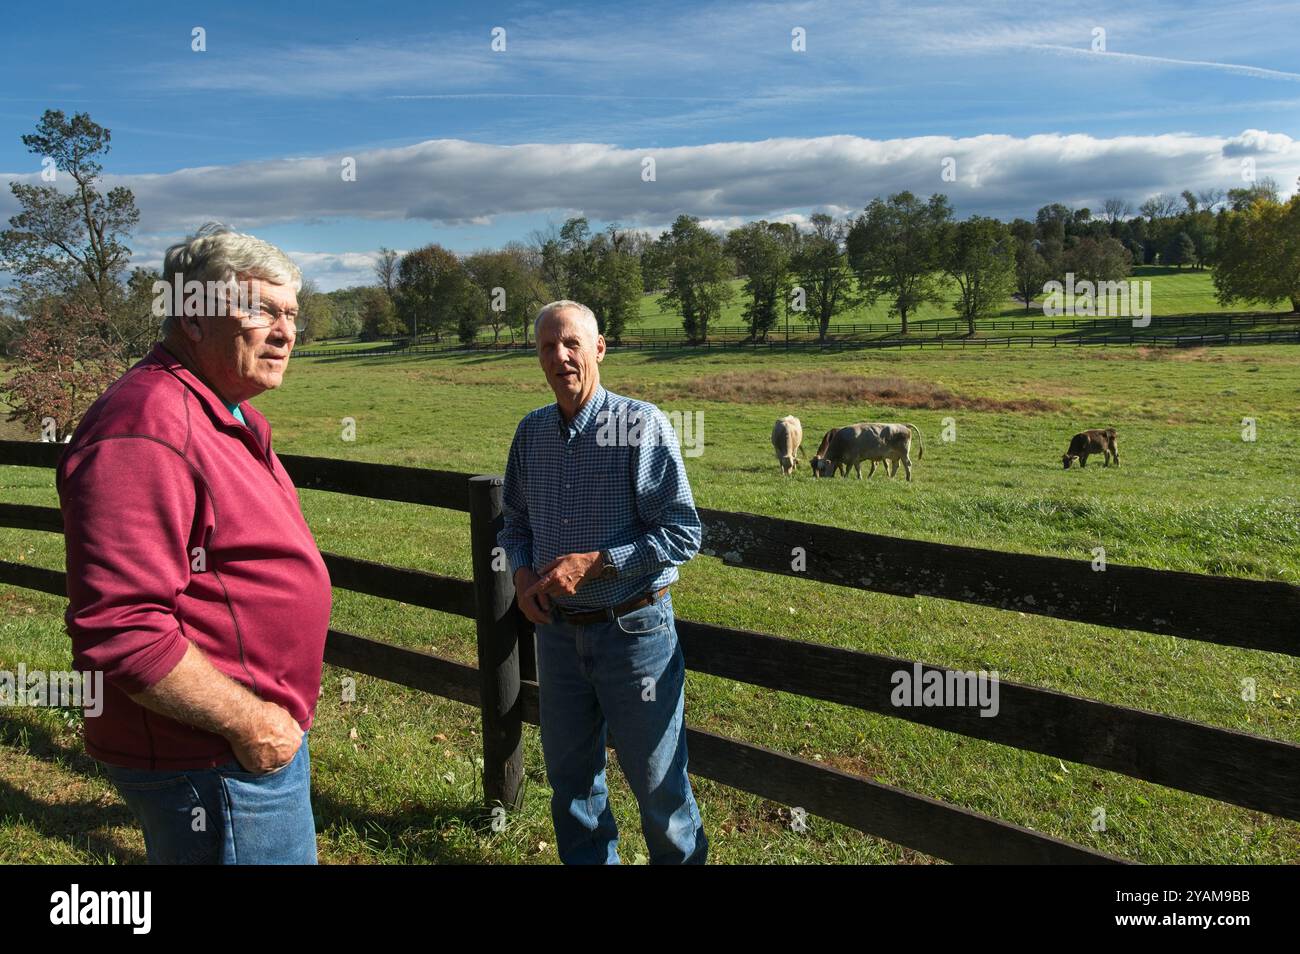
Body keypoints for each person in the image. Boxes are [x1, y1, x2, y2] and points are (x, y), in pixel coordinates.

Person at [57, 223, 331, 864]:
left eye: (290, 311)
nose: (286, 331)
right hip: (214, 756)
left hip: (233, 746)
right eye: (260, 309)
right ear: (193, 318)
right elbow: (122, 627)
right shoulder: (145, 426)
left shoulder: (225, 411)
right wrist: (251, 723)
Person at [498, 299, 708, 864]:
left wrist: (598, 563)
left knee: (659, 786)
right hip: (559, 636)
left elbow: (684, 533)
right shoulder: (533, 432)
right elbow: (514, 521)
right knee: (571, 785)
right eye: (547, 346)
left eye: (571, 343)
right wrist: (521, 575)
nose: (560, 356)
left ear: (599, 348)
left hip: (634, 632)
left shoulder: (640, 425)